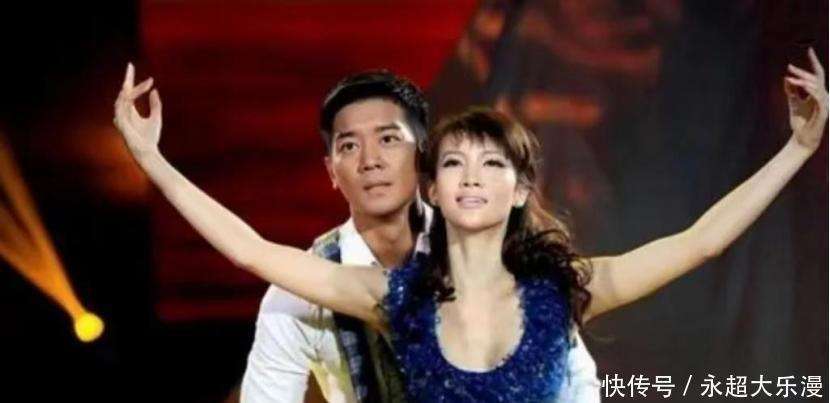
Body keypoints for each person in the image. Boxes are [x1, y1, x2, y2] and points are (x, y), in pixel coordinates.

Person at [113, 48, 827, 401]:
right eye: (454, 163)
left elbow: (702, 241)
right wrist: (151, 159)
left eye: (492, 164)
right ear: (433, 185)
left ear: (520, 189)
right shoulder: (393, 297)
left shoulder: (559, 290)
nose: (472, 177)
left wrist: (797, 148)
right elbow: (249, 250)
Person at [113, 68, 600, 402]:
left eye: (389, 139)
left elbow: (575, 381)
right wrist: (152, 160)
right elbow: (249, 251)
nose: (371, 160)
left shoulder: (492, 248)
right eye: (349, 146)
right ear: (331, 170)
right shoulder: (300, 292)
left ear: (425, 154)